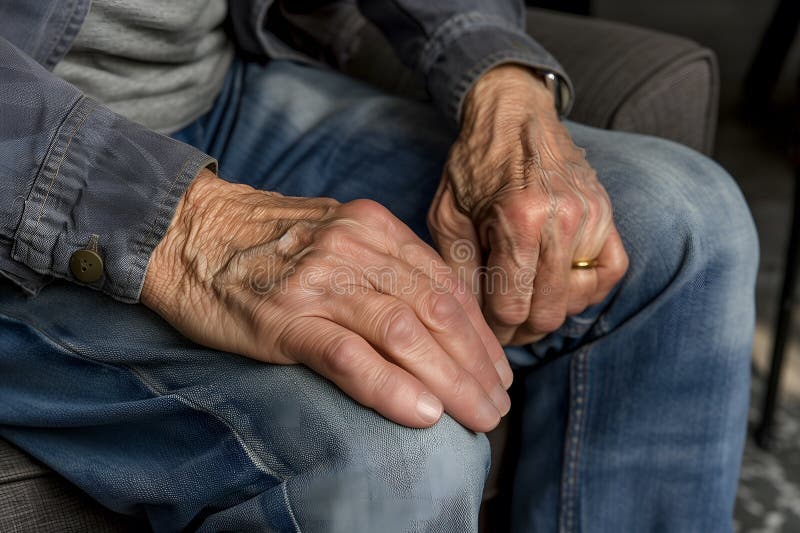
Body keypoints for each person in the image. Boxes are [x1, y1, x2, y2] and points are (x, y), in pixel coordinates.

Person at [0, 0, 757, 531]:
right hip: (24, 176)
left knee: (686, 221)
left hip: (216, 94)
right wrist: (189, 225)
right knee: (399, 455)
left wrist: (502, 83)